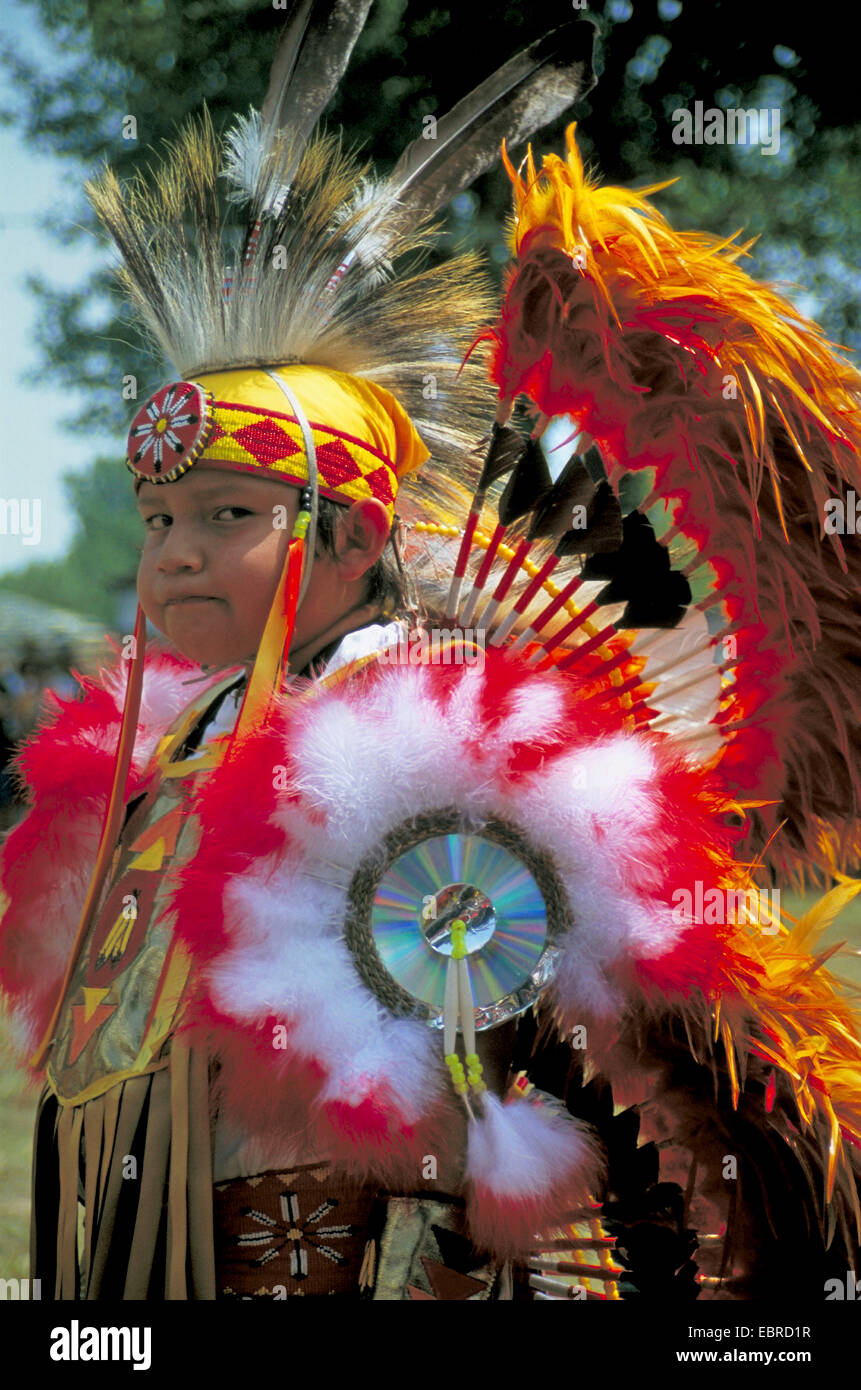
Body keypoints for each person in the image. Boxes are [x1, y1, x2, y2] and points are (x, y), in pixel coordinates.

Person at [2, 10, 860, 1304]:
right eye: (163, 519)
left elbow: (511, 1021)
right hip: (156, 1206)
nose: (173, 553)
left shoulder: (419, 728)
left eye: (226, 518)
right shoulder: (183, 727)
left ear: (347, 536)